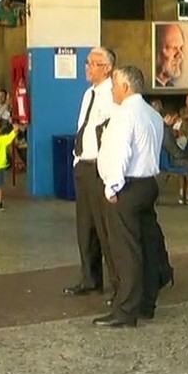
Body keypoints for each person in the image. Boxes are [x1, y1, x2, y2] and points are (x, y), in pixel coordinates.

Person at [95, 65, 173, 328]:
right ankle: (146, 303)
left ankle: (125, 310)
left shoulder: (123, 115)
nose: (113, 90)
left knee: (126, 249)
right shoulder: (152, 114)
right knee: (148, 244)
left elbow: (118, 152)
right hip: (148, 184)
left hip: (127, 188)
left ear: (126, 87)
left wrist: (112, 187)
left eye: (115, 84)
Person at [65, 47, 118, 298]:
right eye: (87, 62)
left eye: (93, 63)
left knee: (106, 228)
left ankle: (118, 284)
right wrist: (77, 159)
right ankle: (90, 278)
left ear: (107, 68)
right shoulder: (89, 94)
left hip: (100, 168)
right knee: (85, 227)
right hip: (83, 165)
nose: (87, 67)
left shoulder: (113, 94)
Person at [154, 23, 185, 88]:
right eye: (173, 48)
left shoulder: (170, 87)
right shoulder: (144, 90)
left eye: (181, 48)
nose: (181, 56)